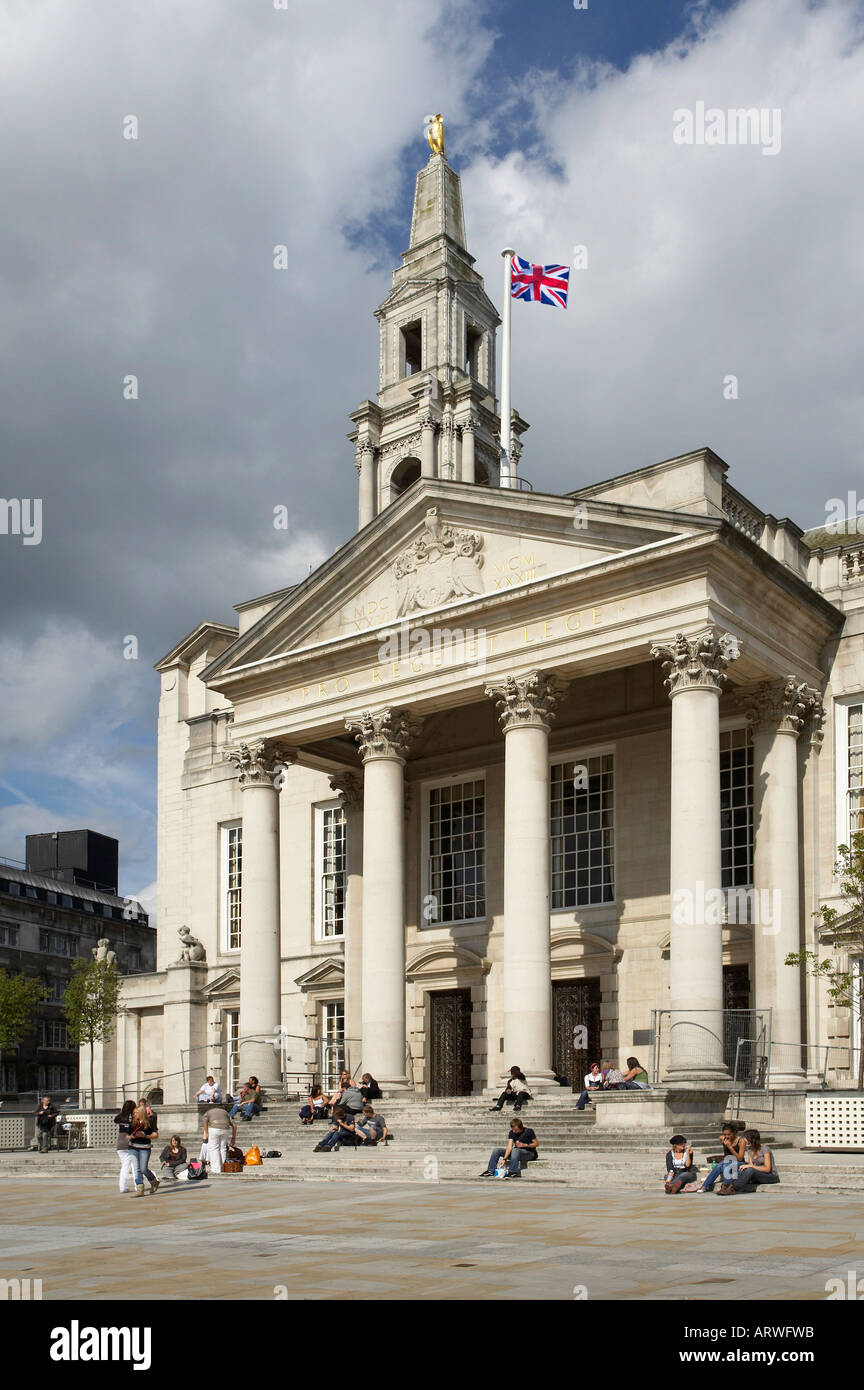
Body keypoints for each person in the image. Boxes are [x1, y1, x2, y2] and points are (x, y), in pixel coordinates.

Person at [717, 1129, 780, 1195]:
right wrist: (747, 1167)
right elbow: (750, 1164)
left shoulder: (765, 1149)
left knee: (750, 1169)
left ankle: (733, 1188)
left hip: (770, 1176)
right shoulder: (750, 1149)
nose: (745, 1140)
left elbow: (767, 1169)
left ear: (752, 1139)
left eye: (746, 1138)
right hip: (757, 1175)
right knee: (742, 1168)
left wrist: (751, 1166)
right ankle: (725, 1185)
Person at [699, 1124, 747, 1193]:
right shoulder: (722, 1138)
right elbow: (721, 1138)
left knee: (724, 1165)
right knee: (719, 1165)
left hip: (739, 1163)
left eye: (729, 1134)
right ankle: (705, 1186)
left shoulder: (741, 1141)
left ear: (734, 1133)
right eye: (725, 1134)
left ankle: (725, 1186)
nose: (727, 1136)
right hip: (727, 1162)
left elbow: (740, 1158)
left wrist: (730, 1147)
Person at [128, 1104, 159, 1195]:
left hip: (144, 1147)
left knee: (143, 1169)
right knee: (136, 1168)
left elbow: (156, 1135)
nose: (134, 1115)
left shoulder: (150, 1121)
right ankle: (140, 1188)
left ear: (141, 1113)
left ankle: (154, 1181)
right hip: (133, 1147)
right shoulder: (133, 1122)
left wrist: (145, 1135)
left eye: (136, 1113)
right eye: (134, 1113)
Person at [202, 1104, 236, 1172]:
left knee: (214, 1148)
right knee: (223, 1148)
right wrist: (233, 1138)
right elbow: (234, 1125)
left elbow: (205, 1122)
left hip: (214, 1129)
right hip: (225, 1130)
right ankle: (223, 1167)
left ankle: (216, 1169)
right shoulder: (226, 1113)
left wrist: (206, 1132)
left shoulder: (209, 1112)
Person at [114, 1100, 136, 1192]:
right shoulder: (132, 1117)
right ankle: (133, 1185)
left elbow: (115, 1120)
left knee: (126, 1165)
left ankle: (124, 1186)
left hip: (120, 1142)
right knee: (132, 1166)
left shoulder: (121, 1116)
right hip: (129, 1142)